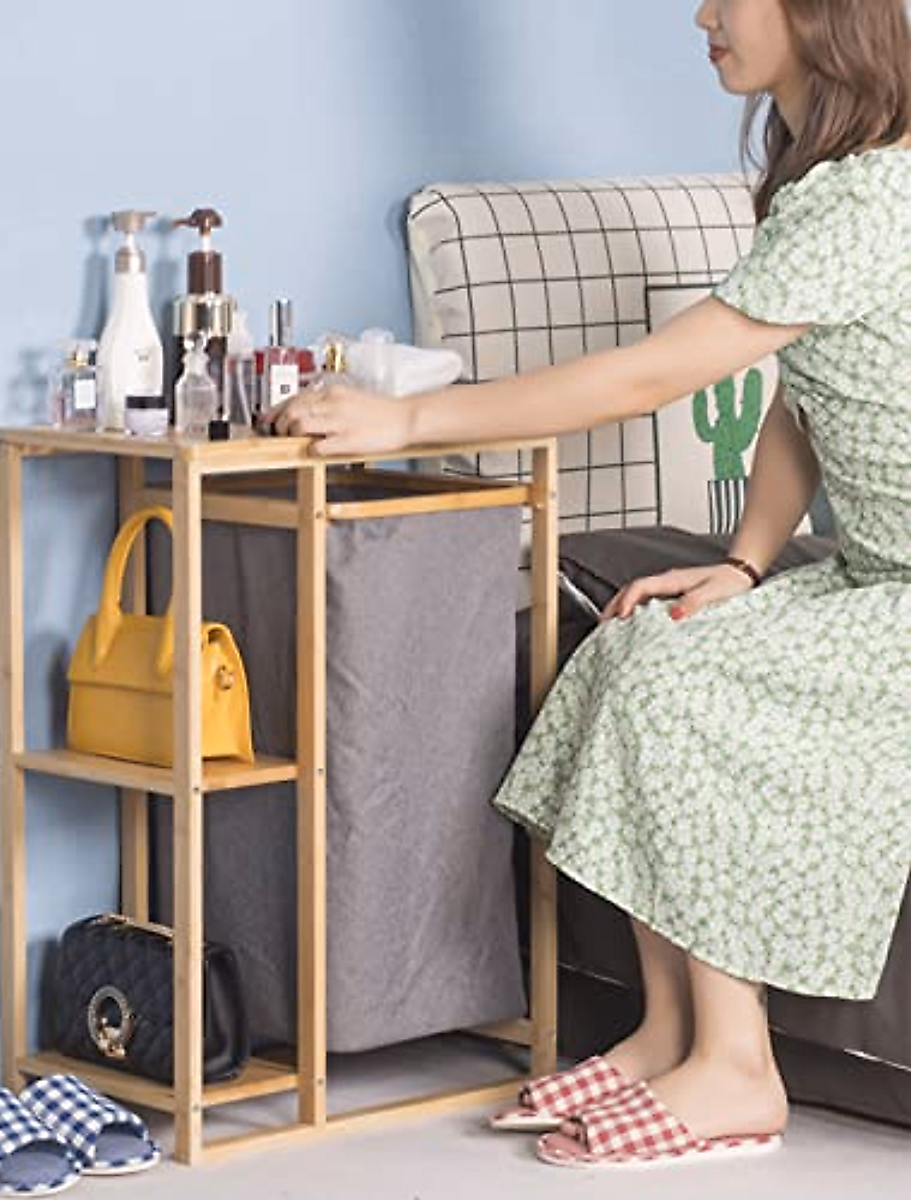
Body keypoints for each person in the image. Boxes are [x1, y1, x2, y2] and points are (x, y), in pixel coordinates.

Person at [265, 0, 910, 1171]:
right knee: (632, 643)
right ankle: (667, 1033)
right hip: (878, 581)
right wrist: (744, 561)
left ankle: (738, 1069)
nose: (702, 15)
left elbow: (649, 378)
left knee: (685, 688)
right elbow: (801, 395)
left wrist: (410, 420)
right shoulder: (827, 187)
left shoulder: (867, 198)